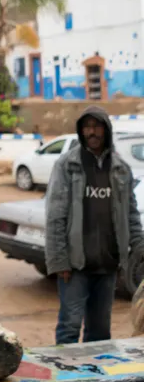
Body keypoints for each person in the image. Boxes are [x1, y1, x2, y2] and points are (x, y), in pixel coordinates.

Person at [46, 106, 144, 344]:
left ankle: (92, 380)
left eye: (97, 126)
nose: (92, 132)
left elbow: (131, 213)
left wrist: (140, 249)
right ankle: (66, 381)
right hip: (75, 265)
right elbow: (55, 215)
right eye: (87, 127)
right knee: (69, 328)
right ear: (81, 131)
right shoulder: (67, 165)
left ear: (106, 130)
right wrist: (59, 261)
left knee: (100, 334)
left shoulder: (120, 169)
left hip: (107, 265)